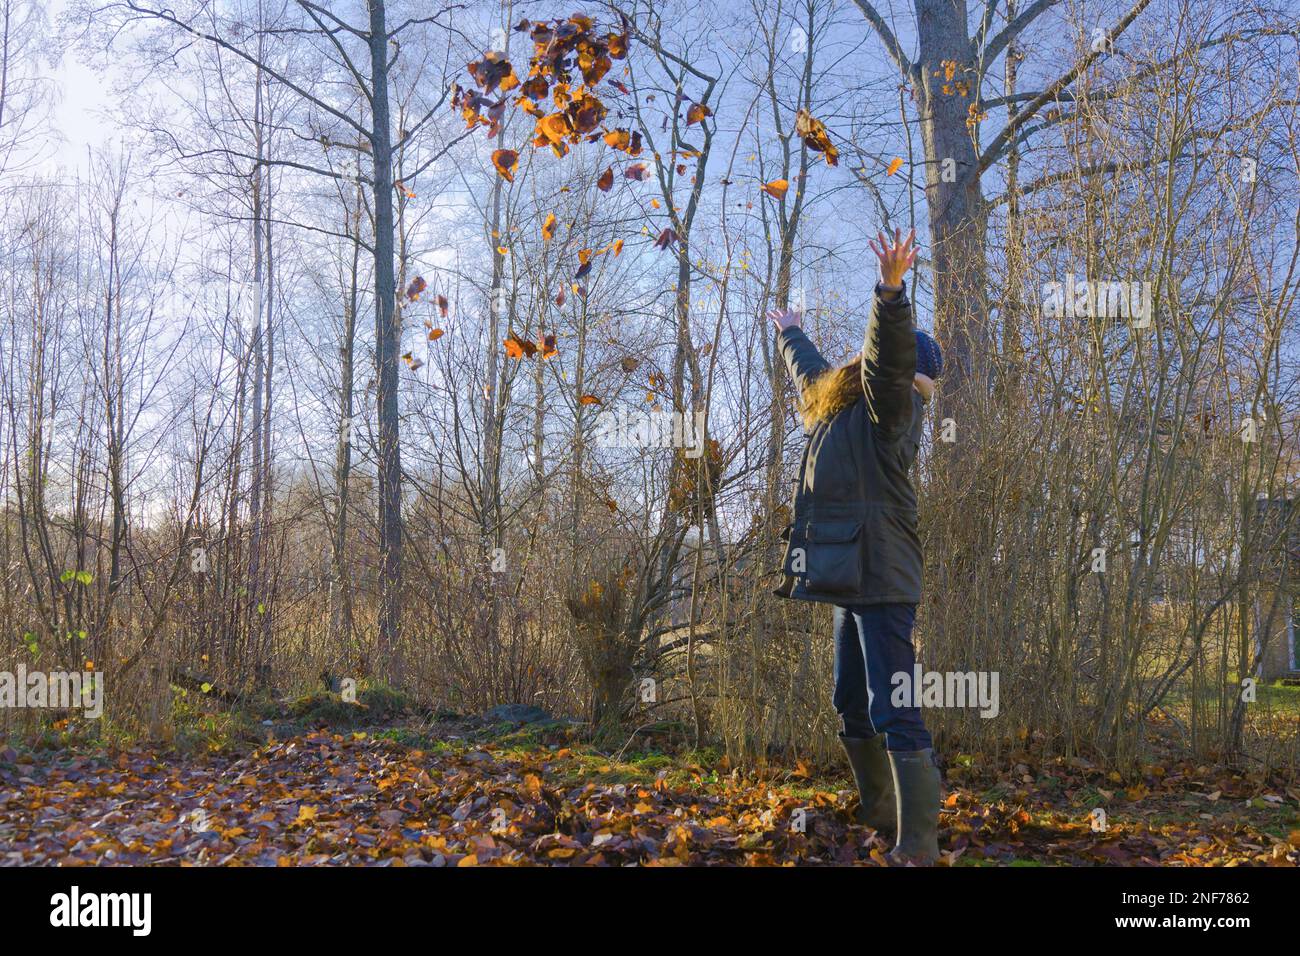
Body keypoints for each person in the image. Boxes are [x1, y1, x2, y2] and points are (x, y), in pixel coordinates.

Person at [766, 228, 943, 864]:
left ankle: (917, 847)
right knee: (851, 698)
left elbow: (887, 360)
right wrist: (791, 331)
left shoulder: (890, 409)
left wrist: (890, 294)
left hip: (884, 573)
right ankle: (881, 811)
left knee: (891, 702)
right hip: (851, 574)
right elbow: (813, 374)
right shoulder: (838, 407)